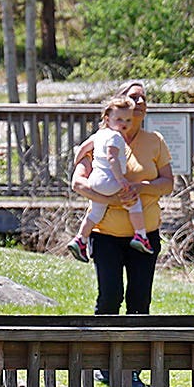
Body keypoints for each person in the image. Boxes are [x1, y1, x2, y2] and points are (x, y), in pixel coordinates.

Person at [70, 80, 174, 319]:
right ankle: (100, 352)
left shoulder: (155, 141)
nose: (139, 102)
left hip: (145, 234)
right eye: (133, 97)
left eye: (143, 98)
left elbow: (167, 184)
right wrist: (112, 199)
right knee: (109, 297)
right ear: (118, 106)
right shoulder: (100, 139)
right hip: (106, 234)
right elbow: (78, 182)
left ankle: (137, 354)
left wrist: (139, 187)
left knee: (139, 301)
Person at [67, 95, 153, 262]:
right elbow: (112, 158)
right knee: (133, 201)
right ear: (107, 118)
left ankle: (80, 239)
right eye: (119, 119)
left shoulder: (99, 134)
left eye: (128, 120)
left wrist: (77, 161)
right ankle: (140, 235)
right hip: (109, 180)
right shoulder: (116, 137)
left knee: (96, 213)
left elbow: (82, 149)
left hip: (95, 180)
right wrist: (121, 179)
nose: (124, 124)